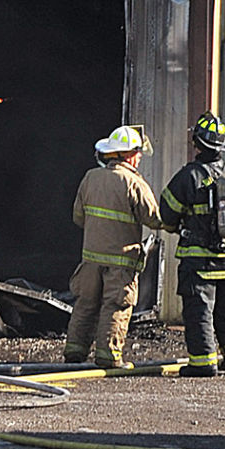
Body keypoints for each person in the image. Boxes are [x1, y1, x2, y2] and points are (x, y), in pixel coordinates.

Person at [159, 112, 225, 376]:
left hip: (200, 261)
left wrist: (179, 225)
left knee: (200, 310)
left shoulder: (189, 176)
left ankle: (203, 363)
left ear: (197, 143)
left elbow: (167, 213)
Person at [63, 124, 161, 369]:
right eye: (137, 152)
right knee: (116, 305)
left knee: (85, 304)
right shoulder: (135, 183)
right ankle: (109, 356)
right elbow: (155, 219)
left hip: (90, 260)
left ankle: (75, 351)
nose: (139, 157)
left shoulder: (90, 178)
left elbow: (78, 217)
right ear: (127, 155)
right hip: (121, 262)